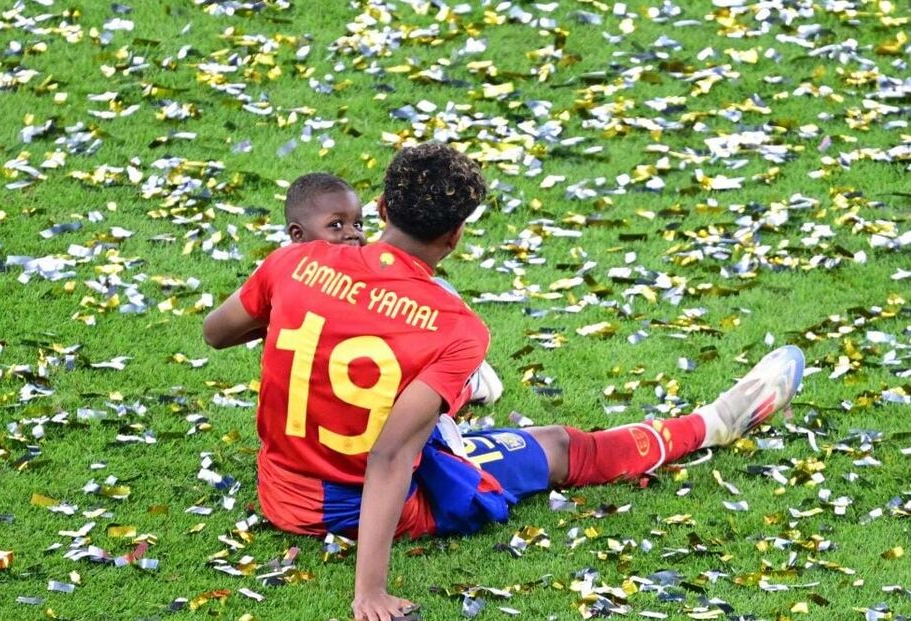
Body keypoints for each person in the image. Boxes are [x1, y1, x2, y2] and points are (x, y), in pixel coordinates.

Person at [203, 143, 805, 621]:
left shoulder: (293, 261)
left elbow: (217, 332)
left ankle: (456, 394)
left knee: (419, 397)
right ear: (455, 235)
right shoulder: (455, 325)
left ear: (381, 209)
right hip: (347, 504)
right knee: (561, 448)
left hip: (277, 485)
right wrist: (371, 591)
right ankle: (713, 425)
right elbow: (389, 456)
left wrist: (304, 309)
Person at [280, 170, 503, 405]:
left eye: (358, 224)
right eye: (336, 225)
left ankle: (471, 385)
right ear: (297, 235)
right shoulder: (289, 272)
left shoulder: (371, 285)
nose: (353, 233)